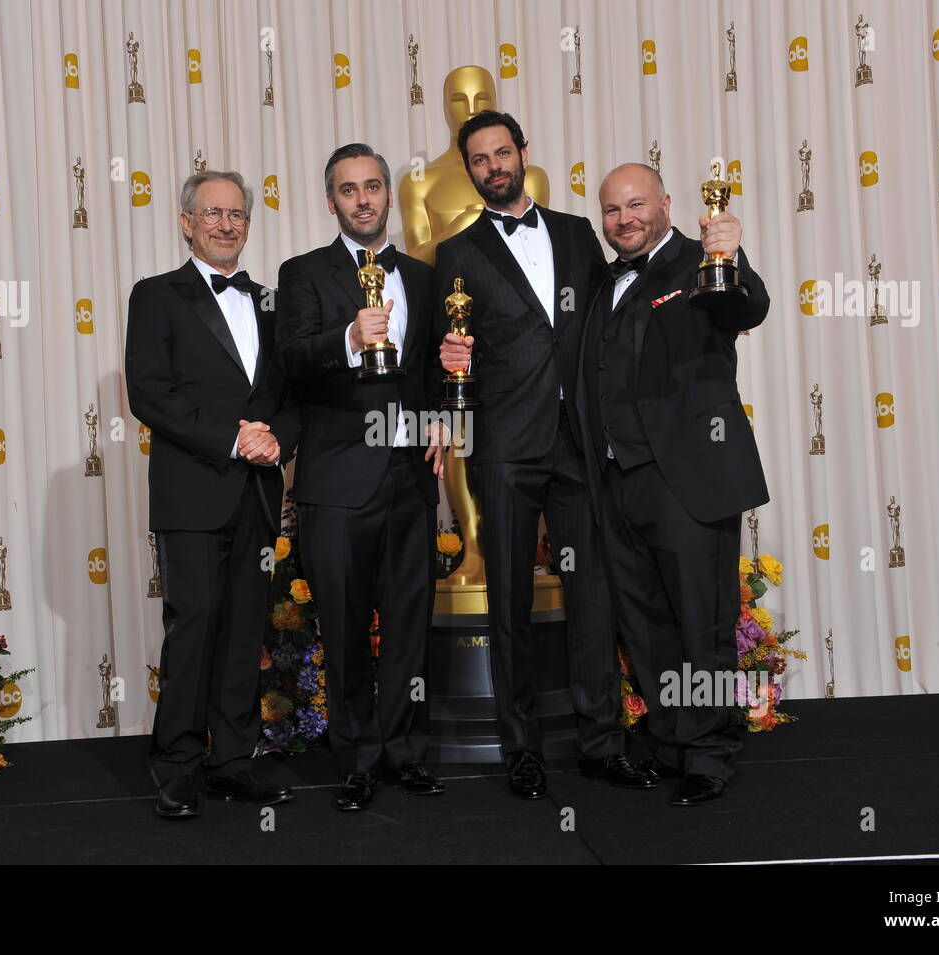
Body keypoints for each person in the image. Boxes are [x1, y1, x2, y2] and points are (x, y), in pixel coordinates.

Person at [436, 112, 647, 799]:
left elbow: (609, 322)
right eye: (480, 158)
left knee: (595, 596)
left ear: (523, 153)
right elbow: (450, 356)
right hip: (504, 447)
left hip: (580, 442)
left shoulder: (577, 232)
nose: (494, 165)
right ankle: (520, 747)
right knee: (510, 602)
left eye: (503, 151)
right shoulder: (457, 250)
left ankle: (601, 741)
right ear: (468, 168)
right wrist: (447, 403)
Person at [575, 162, 770, 806]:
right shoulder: (602, 283)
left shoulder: (701, 262)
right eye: (611, 210)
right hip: (616, 480)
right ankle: (668, 739)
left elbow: (749, 305)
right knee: (647, 624)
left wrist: (731, 255)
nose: (624, 219)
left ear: (665, 202)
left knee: (701, 622)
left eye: (635, 204)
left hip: (689, 478)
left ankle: (709, 754)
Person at [125, 170, 301, 819]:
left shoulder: (276, 304)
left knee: (241, 633)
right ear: (186, 221)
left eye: (237, 215)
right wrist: (232, 439)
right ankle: (176, 765)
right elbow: (150, 392)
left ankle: (232, 759)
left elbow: (292, 398)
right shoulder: (155, 296)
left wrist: (274, 439)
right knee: (193, 628)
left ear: (248, 225)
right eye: (213, 213)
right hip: (192, 492)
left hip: (257, 492)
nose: (226, 224)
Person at [276, 144, 447, 812]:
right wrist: (348, 336)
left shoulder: (425, 279)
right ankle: (357, 760)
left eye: (373, 186)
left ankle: (406, 753)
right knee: (345, 632)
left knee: (410, 626)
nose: (364, 199)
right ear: (331, 202)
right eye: (349, 190)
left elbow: (435, 369)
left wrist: (442, 417)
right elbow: (292, 359)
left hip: (409, 476)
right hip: (339, 481)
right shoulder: (303, 274)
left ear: (387, 195)